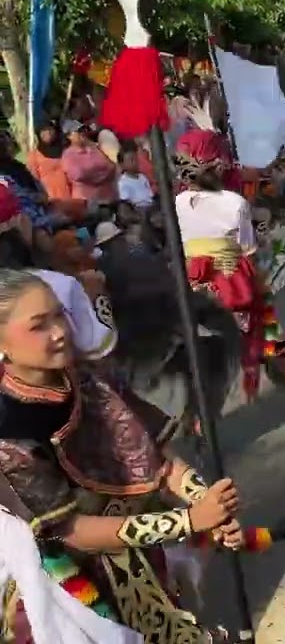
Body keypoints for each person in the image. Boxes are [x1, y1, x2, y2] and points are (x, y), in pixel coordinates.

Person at [0, 269, 242, 642]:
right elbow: (72, 531)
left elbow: (156, 458)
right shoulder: (8, 428)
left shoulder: (85, 379)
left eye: (59, 315)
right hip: (62, 581)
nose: (60, 332)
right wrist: (189, 521)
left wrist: (207, 501)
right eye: (38, 325)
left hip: (128, 550)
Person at [173, 128, 285, 440]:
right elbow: (249, 253)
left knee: (208, 364)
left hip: (198, 295)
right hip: (239, 290)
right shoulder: (233, 204)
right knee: (277, 352)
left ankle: (197, 427)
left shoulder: (176, 205)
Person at [116, 140, 154, 209]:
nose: (135, 162)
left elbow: (150, 194)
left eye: (136, 159)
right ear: (122, 164)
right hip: (136, 210)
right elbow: (125, 203)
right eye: (131, 160)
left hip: (150, 207)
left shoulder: (142, 177)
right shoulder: (123, 183)